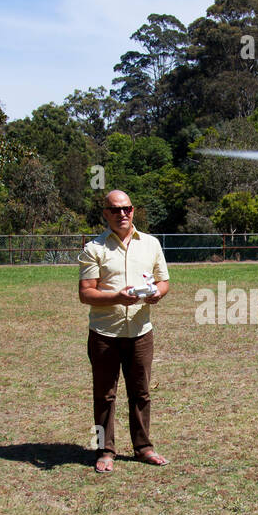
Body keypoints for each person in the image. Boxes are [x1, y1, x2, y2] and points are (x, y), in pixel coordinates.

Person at [77, 190, 170, 473]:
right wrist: (117, 298)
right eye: (115, 210)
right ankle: (105, 450)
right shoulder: (94, 248)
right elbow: (86, 294)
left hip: (141, 331)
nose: (122, 214)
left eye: (126, 208)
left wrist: (157, 294)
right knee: (104, 394)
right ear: (105, 214)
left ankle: (143, 448)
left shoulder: (151, 244)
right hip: (105, 333)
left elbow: (164, 281)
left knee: (141, 393)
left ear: (133, 211)